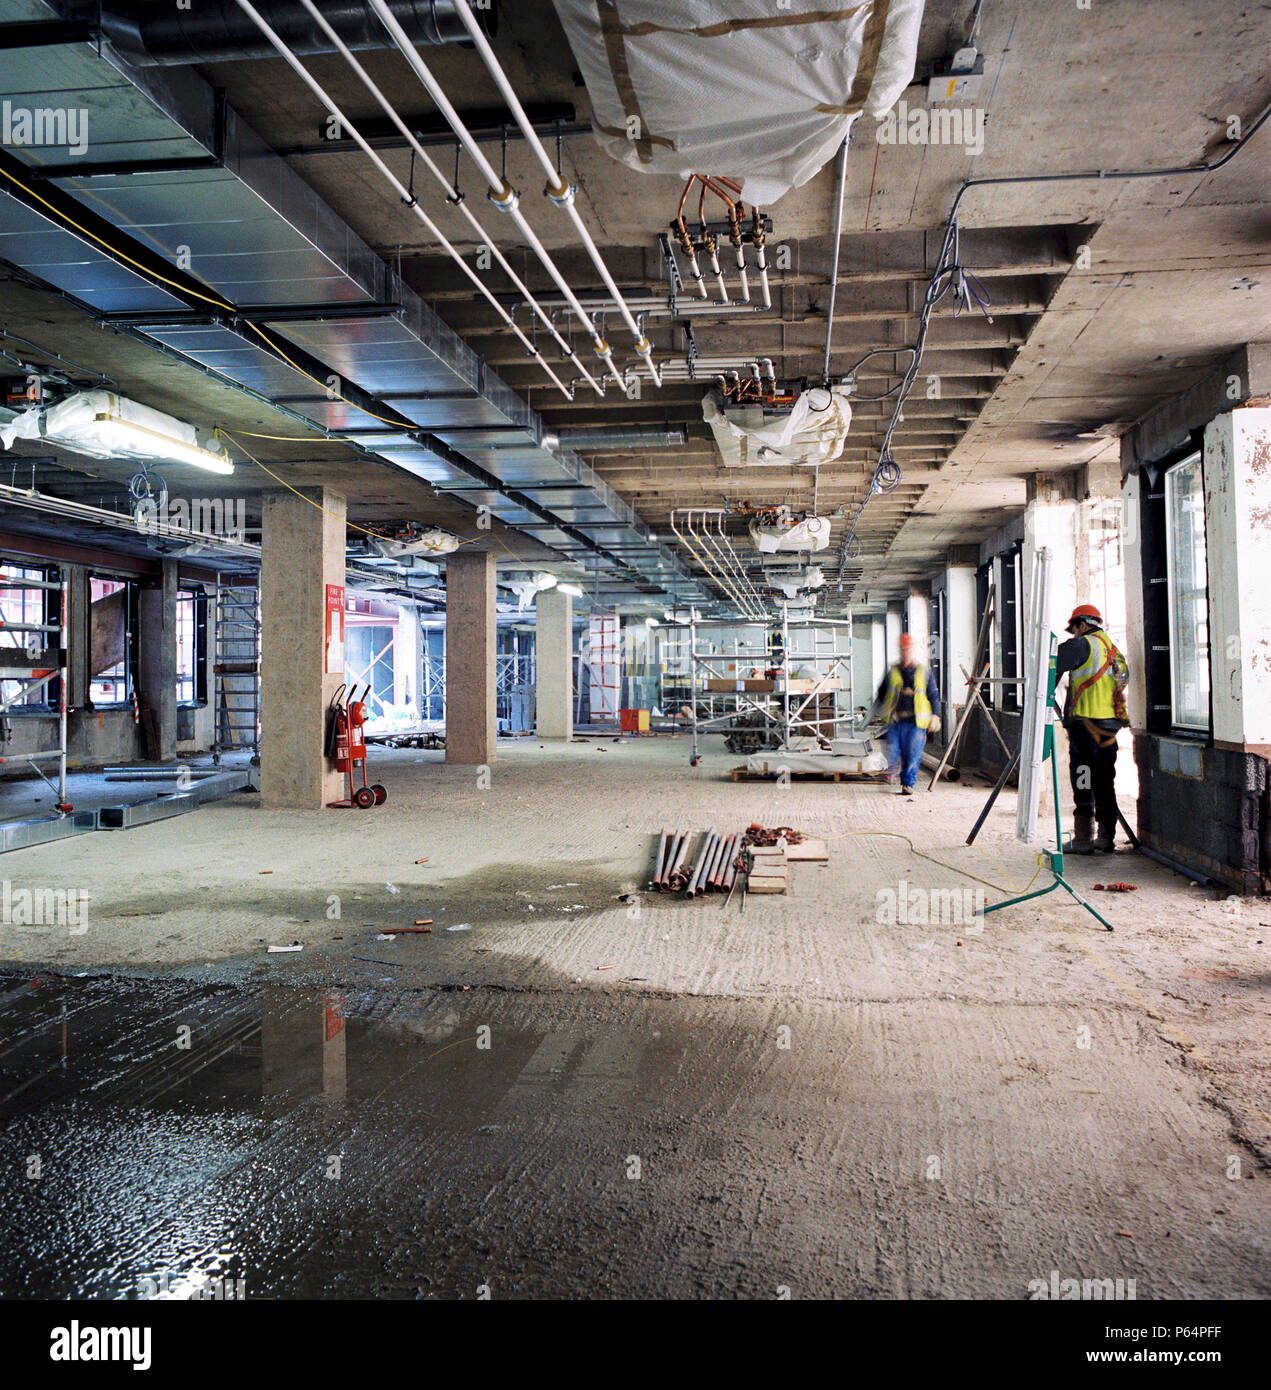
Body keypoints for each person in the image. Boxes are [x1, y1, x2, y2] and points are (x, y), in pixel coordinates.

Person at [1055, 603, 1129, 853]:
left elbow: (1052, 666)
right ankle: (1107, 837)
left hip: (1085, 724)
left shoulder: (1082, 644)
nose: (1073, 634)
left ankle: (1084, 838)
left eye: (1074, 629)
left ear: (1083, 625)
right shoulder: (1114, 649)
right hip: (1109, 726)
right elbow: (1122, 681)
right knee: (1105, 779)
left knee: (1083, 775)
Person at [875, 633, 941, 795]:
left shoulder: (923, 672)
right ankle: (890, 774)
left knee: (912, 755)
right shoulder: (893, 672)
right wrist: (882, 709)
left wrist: (936, 715)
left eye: (908, 649)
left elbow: (933, 695)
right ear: (900, 650)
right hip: (896, 720)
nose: (906, 652)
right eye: (903, 649)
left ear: (913, 650)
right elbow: (882, 692)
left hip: (916, 722)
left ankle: (907, 784)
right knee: (892, 749)